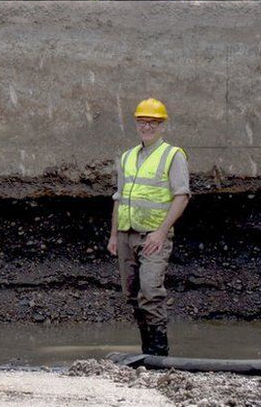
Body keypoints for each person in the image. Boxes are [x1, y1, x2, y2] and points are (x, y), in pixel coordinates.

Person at [107, 97, 190, 356]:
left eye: (152, 122)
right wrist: (113, 236)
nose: (147, 127)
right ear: (137, 124)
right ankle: (147, 353)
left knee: (151, 292)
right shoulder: (128, 157)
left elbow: (182, 196)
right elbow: (119, 198)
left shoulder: (172, 155)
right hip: (125, 236)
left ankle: (159, 355)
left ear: (162, 125)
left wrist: (161, 232)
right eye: (143, 122)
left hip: (154, 236)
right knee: (132, 295)